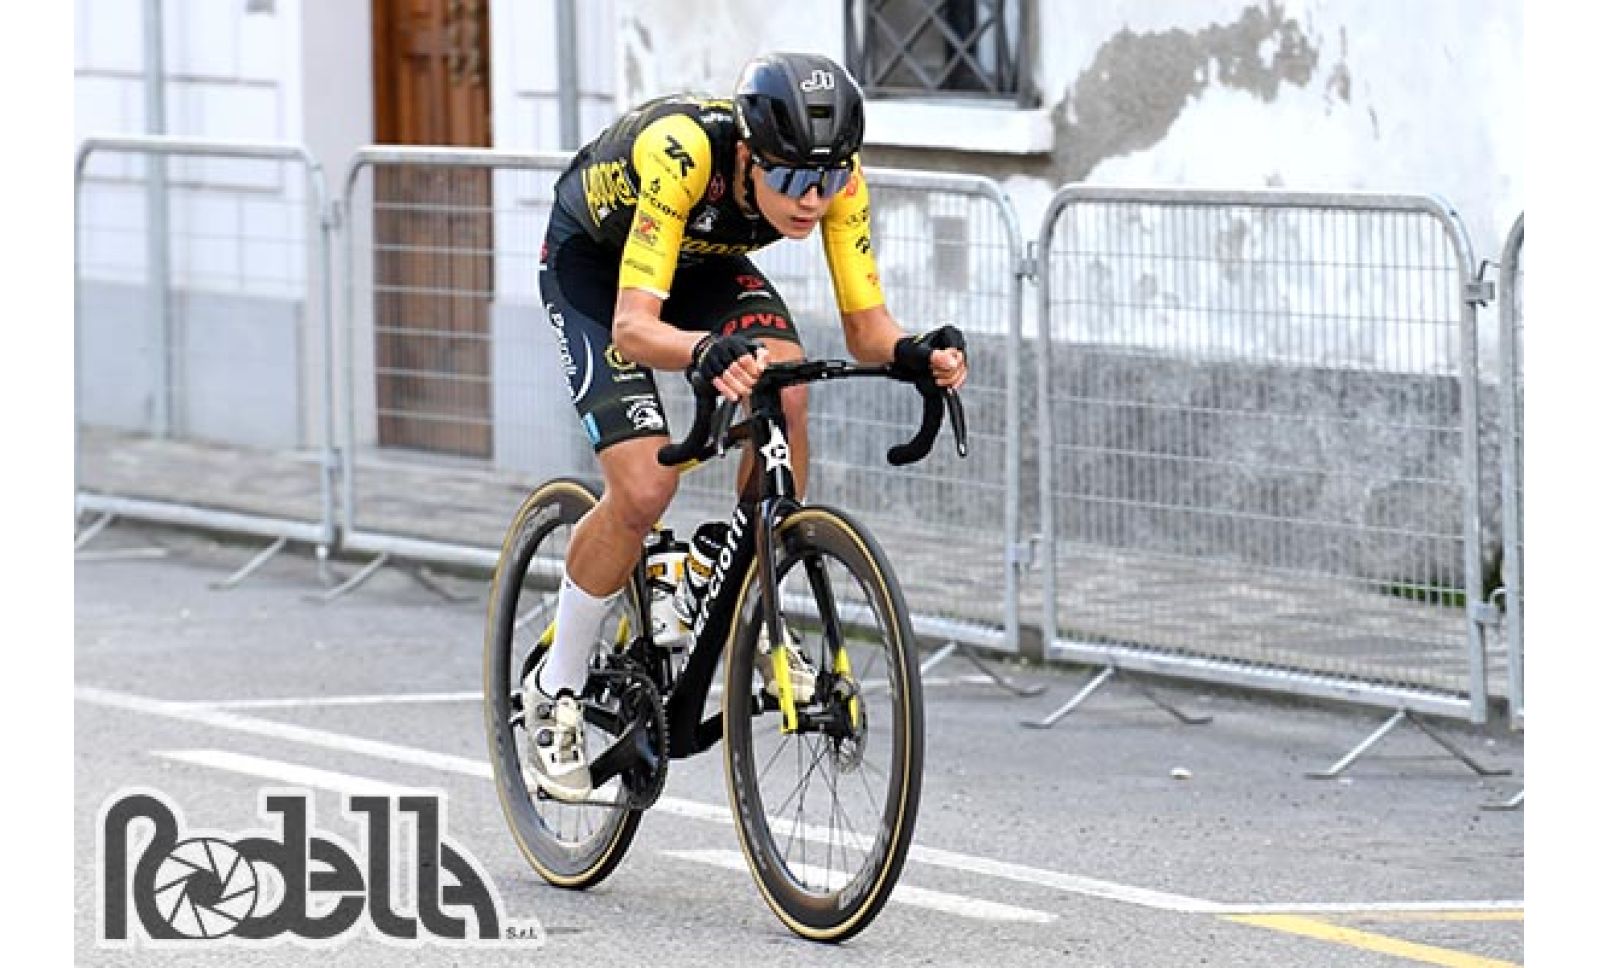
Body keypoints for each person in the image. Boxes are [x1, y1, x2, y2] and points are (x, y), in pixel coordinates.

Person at [527, 51, 969, 802]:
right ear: (747, 154)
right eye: (792, 180)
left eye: (827, 182)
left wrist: (914, 352)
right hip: (599, 271)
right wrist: (702, 350)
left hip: (704, 264)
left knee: (786, 385)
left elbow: (866, 326)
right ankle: (557, 687)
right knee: (643, 489)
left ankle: (739, 580)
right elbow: (635, 330)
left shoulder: (837, 178)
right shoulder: (684, 153)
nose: (811, 201)